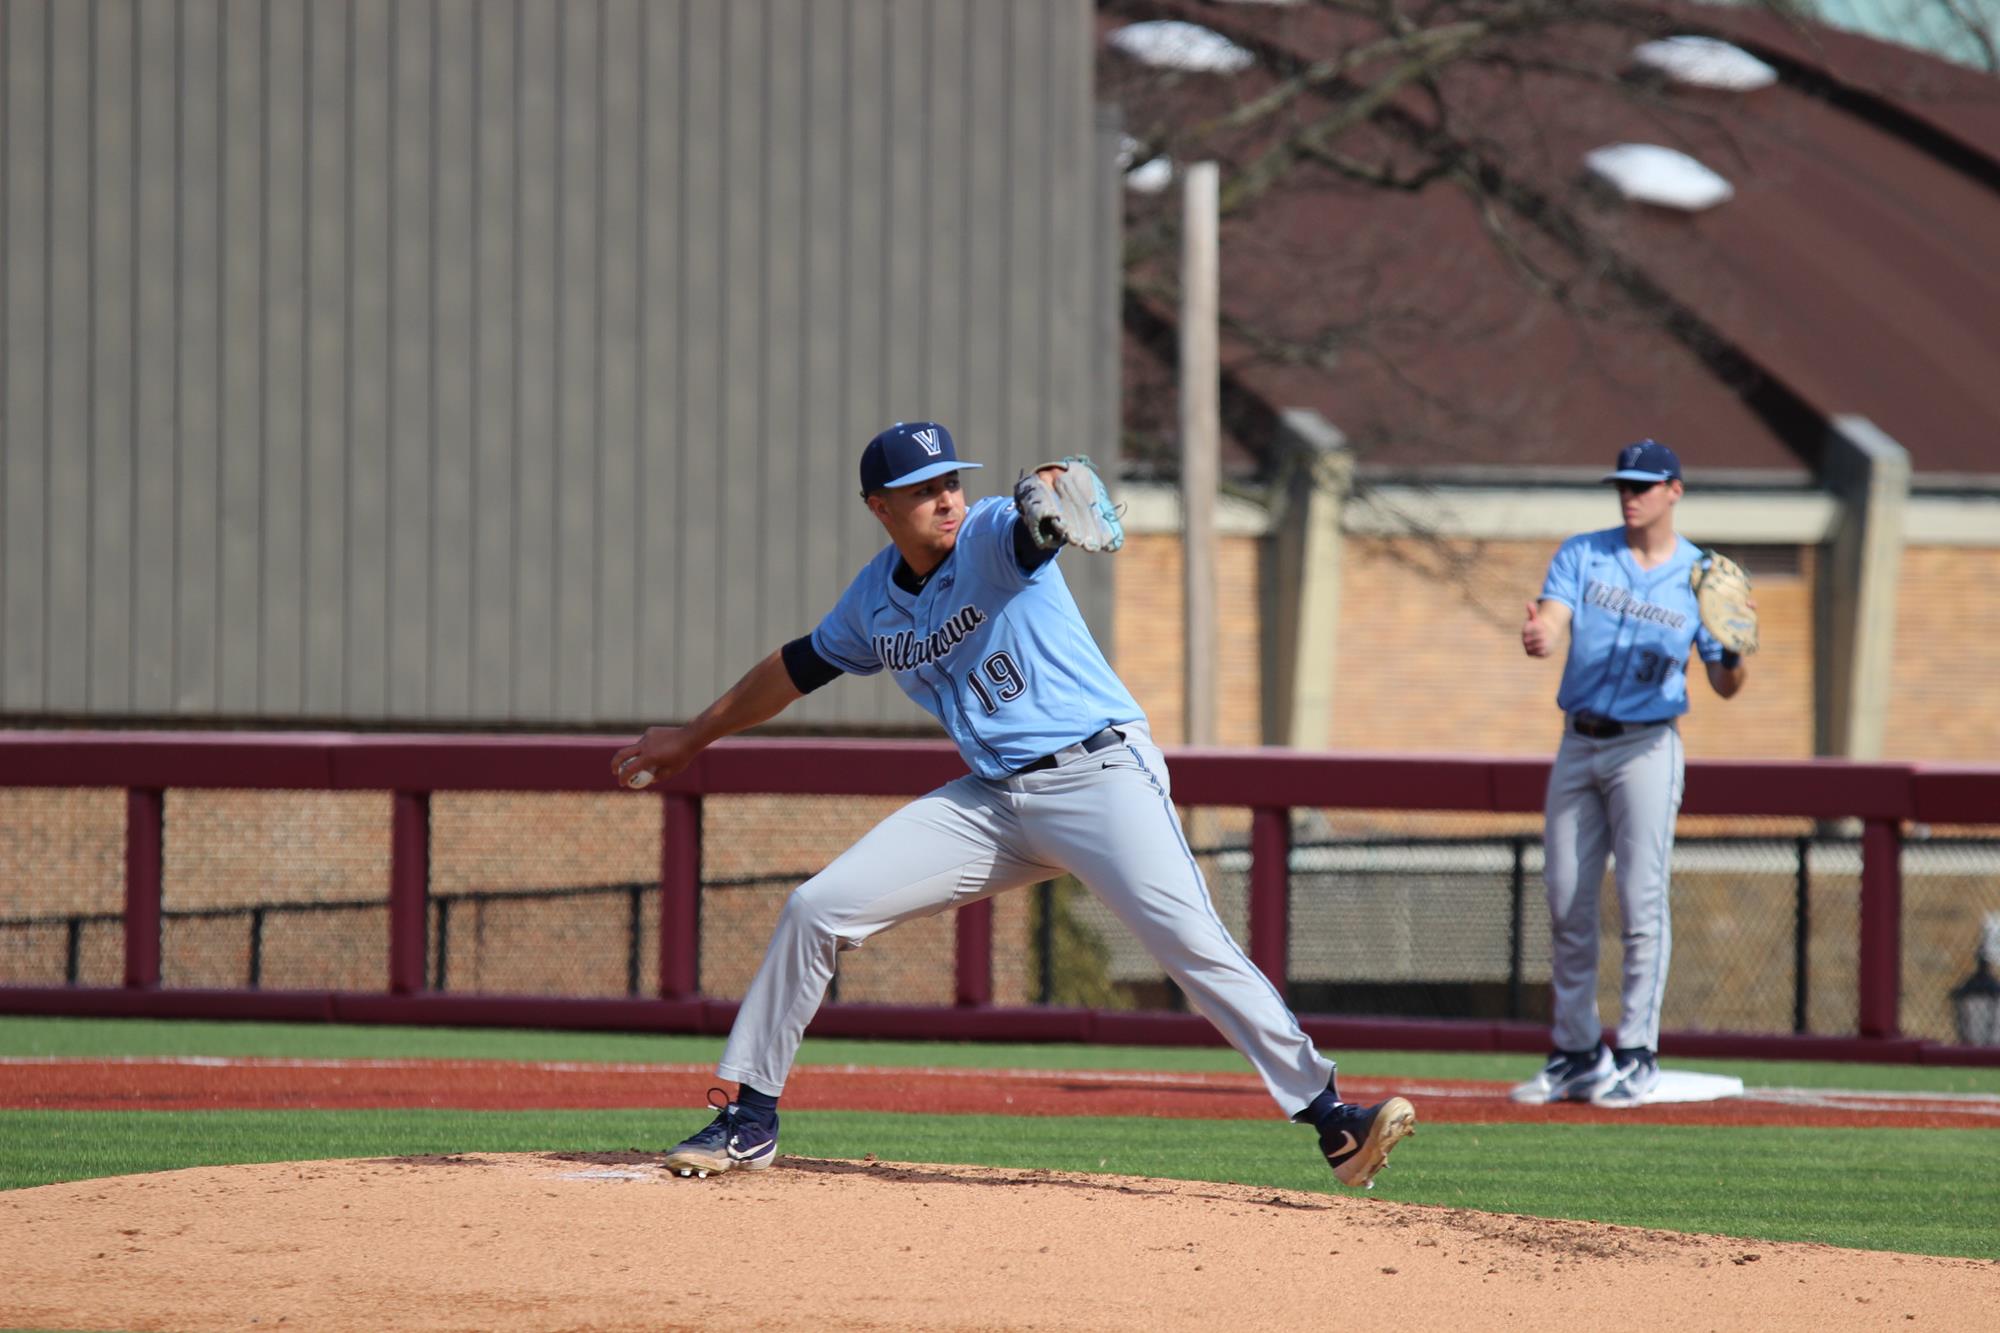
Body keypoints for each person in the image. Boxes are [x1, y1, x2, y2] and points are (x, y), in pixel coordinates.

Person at [613, 421, 1416, 1187]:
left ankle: (1333, 1119)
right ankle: (749, 1116)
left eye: (951, 481)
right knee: (817, 907)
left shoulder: (993, 534)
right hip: (995, 802)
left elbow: (1035, 511)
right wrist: (693, 736)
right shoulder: (872, 601)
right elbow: (795, 667)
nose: (946, 498)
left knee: (1190, 945)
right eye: (922, 488)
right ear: (879, 508)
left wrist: (1048, 490)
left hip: (1098, 777)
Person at [1513, 439, 1748, 1107]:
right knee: (1566, 900)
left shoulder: (1704, 573)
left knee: (1641, 903)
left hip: (1648, 746)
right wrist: (1542, 636)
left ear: (1675, 489)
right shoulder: (1584, 553)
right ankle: (1579, 1052)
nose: (1631, 493)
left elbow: (1727, 683)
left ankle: (1638, 1053)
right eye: (1624, 482)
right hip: (1579, 741)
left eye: (1645, 483)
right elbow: (1552, 619)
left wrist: (1732, 648)